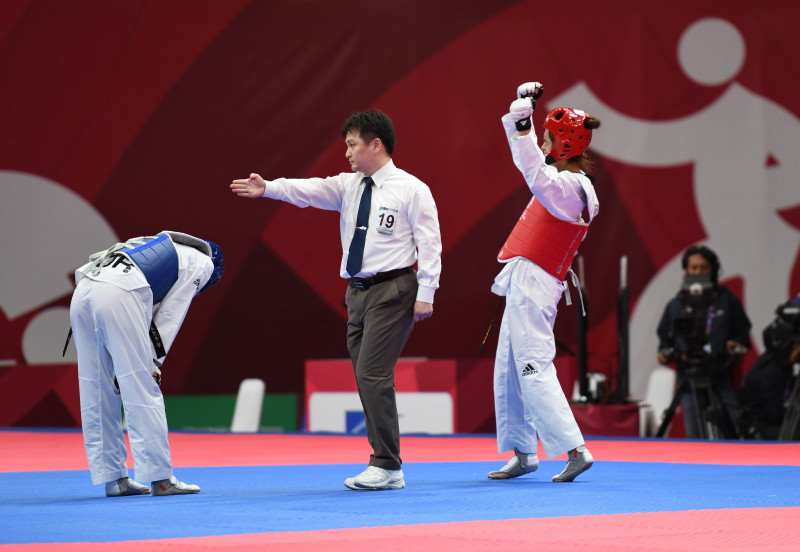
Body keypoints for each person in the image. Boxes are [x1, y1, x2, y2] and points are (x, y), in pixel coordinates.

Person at [230, 110, 442, 491]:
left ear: (375, 144)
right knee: (366, 377)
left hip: (394, 289)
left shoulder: (412, 189)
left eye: (351, 144)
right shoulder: (349, 185)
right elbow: (307, 191)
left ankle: (387, 465)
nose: (346, 152)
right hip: (357, 294)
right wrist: (270, 187)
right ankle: (385, 462)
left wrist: (426, 294)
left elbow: (430, 246)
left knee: (373, 375)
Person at [487, 82, 600, 483]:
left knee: (533, 366)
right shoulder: (562, 183)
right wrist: (522, 120)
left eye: (550, 138)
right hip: (526, 280)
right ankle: (523, 451)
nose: (546, 144)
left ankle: (575, 448)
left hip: (536, 285)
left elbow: (534, 173)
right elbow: (536, 168)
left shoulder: (573, 189)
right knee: (509, 370)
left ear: (566, 145)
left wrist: (522, 126)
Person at [68, 230, 224, 496]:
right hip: (119, 292)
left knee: (97, 387)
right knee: (141, 385)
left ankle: (114, 480)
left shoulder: (156, 246)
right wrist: (152, 362)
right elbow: (170, 315)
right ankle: (161, 479)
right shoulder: (202, 262)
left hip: (83, 292)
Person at [656, 244, 751, 438]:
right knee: (695, 439)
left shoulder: (726, 300)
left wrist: (736, 345)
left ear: (713, 270)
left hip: (721, 376)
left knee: (733, 436)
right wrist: (664, 352)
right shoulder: (676, 305)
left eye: (703, 267)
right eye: (694, 268)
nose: (698, 272)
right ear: (686, 270)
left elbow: (743, 334)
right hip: (688, 378)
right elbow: (665, 339)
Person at [738, 295, 800, 440]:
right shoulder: (770, 370)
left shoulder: (783, 365)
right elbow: (775, 414)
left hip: (774, 422)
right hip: (762, 428)